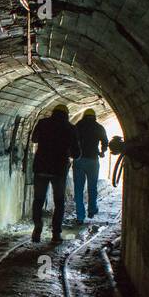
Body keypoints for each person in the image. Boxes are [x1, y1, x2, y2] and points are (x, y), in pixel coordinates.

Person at [30, 103, 80, 242]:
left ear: (53, 112)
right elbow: (77, 153)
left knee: (38, 200)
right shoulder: (71, 128)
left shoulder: (42, 123)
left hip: (41, 168)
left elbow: (34, 139)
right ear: (66, 114)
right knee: (59, 202)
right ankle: (56, 234)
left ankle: (37, 228)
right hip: (59, 170)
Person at [72, 108, 109, 223]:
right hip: (93, 160)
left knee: (78, 189)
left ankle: (80, 217)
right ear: (94, 116)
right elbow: (105, 142)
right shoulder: (99, 127)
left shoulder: (78, 126)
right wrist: (102, 151)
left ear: (84, 116)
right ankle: (92, 210)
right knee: (92, 187)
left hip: (79, 160)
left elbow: (72, 140)